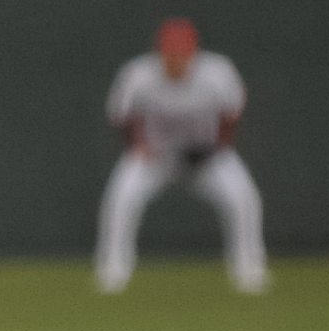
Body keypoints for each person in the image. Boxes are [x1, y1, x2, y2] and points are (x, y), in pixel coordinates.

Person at [95, 17, 266, 294]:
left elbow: (232, 112)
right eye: (169, 51)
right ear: (159, 51)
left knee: (243, 198)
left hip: (206, 156)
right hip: (155, 157)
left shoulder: (217, 72)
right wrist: (139, 147)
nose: (175, 57)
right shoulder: (138, 74)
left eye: (181, 51)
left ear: (193, 52)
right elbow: (122, 116)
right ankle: (113, 271)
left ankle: (249, 270)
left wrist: (219, 146)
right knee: (121, 198)